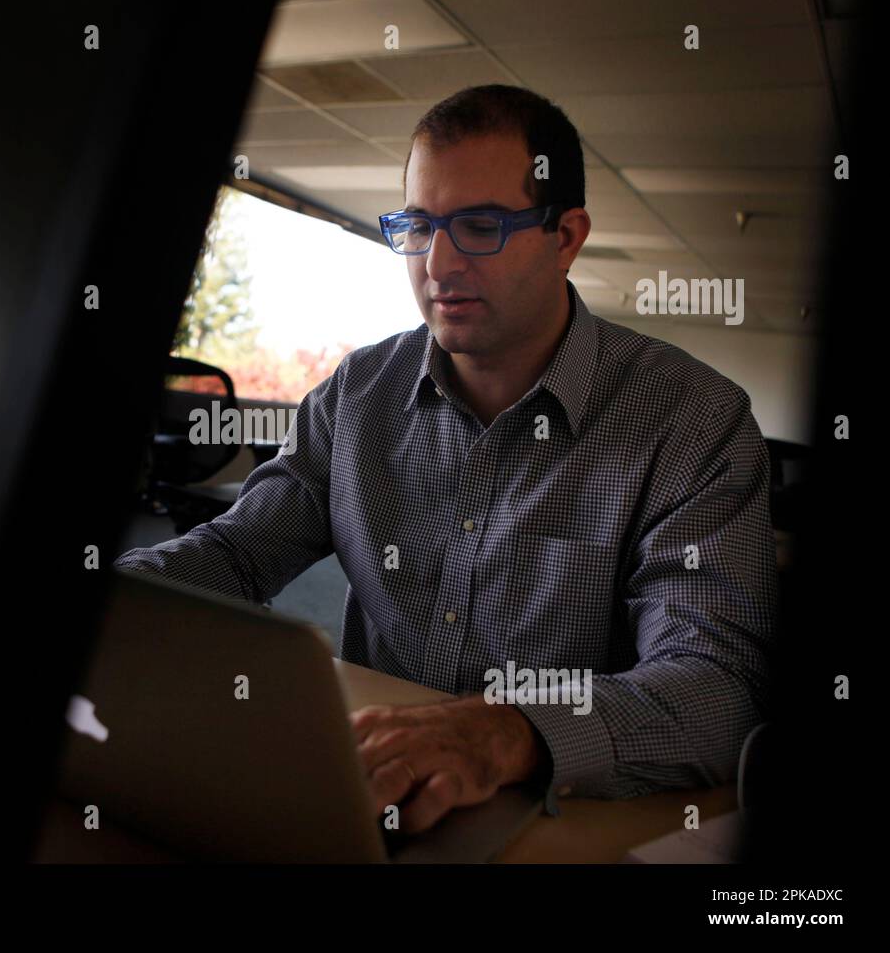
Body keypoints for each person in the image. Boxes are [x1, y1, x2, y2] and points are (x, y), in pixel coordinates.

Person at [115, 84, 776, 835]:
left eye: (482, 226)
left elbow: (720, 688)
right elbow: (234, 555)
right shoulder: (358, 392)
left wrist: (507, 733)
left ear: (566, 237)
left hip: (561, 814)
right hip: (367, 791)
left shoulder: (693, 422)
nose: (439, 263)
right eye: (419, 226)